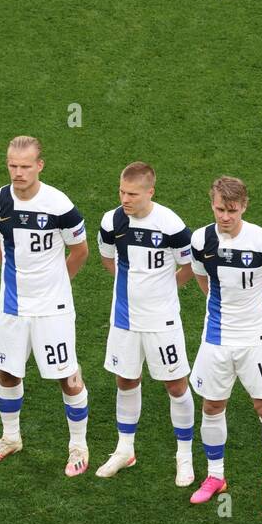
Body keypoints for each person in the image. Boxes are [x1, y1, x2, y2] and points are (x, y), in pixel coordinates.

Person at [0, 136, 91, 475]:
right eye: (13, 166)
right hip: (12, 305)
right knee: (7, 370)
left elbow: (80, 251)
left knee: (67, 376)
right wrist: (16, 278)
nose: (18, 173)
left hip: (52, 308)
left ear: (40, 166)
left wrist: (56, 284)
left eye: (25, 166)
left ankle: (78, 446)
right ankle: (10, 438)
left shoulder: (59, 205)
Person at [187, 176, 262, 511]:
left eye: (232, 210)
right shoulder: (201, 239)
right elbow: (202, 277)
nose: (225, 216)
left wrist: (258, 313)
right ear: (211, 204)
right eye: (220, 208)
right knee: (213, 406)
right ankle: (215, 475)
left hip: (255, 339)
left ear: (244, 206)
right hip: (216, 337)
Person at [94, 162, 197, 484]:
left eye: (133, 194)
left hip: (161, 321)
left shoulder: (171, 224)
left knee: (176, 384)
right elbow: (108, 258)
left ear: (150, 192)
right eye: (122, 192)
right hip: (124, 319)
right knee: (126, 380)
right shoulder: (112, 220)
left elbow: (190, 265)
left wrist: (164, 290)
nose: (125, 199)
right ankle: (125, 449)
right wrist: (128, 289)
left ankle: (184, 455)